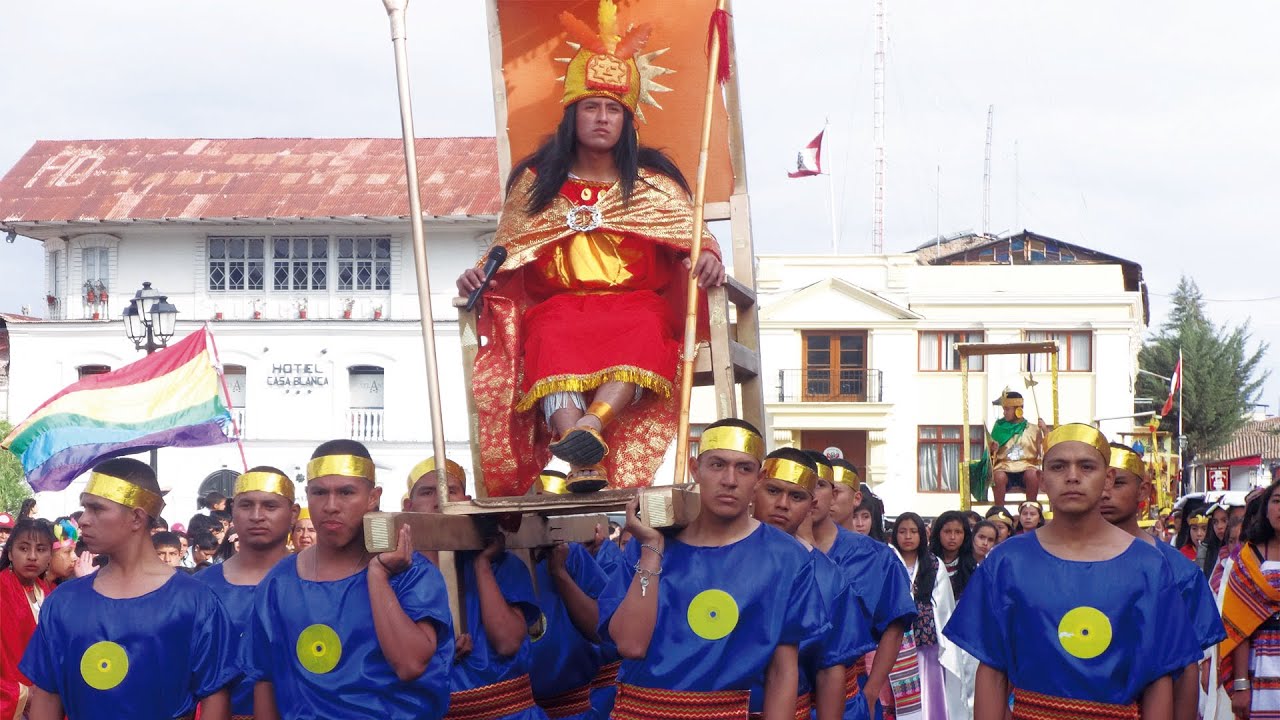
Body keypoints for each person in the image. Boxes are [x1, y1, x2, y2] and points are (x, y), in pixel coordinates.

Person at [457, 0, 726, 495]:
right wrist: (479, 275)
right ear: (572, 114)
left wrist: (705, 255)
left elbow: (694, 241)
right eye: (591, 107)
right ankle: (579, 448)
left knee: (646, 325)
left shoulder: (653, 184)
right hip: (559, 307)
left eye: (612, 109)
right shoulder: (536, 184)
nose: (602, 118)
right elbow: (507, 250)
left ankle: (588, 430)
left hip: (635, 305)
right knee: (549, 332)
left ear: (627, 120)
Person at [943, 424, 1200, 719]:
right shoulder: (1007, 561)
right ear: (1041, 480)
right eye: (1058, 466)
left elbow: (1159, 676)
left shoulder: (1149, 566)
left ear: (1107, 479)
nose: (1073, 476)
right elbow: (992, 669)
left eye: (1087, 466)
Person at [599, 418, 826, 718]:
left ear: (758, 478)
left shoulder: (786, 558)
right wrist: (652, 548)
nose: (729, 480)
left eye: (744, 468)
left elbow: (782, 674)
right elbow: (630, 645)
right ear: (696, 469)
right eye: (717, 465)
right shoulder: (650, 542)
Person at [245, 440, 454, 720]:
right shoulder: (278, 583)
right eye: (320, 493)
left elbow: (410, 664)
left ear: (373, 497)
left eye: (346, 492)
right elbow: (265, 679)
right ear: (308, 496)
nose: (331, 506)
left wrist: (378, 576)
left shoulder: (411, 572)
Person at [19, 458, 237, 720]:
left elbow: (215, 699)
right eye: (84, 508)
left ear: (136, 517)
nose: (84, 520)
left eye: (96, 509)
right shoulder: (63, 602)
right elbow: (46, 699)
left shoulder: (196, 602)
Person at [1099, 443, 1225, 720]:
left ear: (1143, 490)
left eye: (1118, 483)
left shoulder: (1179, 572)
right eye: (1098, 482)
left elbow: (1186, 667)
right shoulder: (1060, 562)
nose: (1105, 492)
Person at [413, 457, 546, 720]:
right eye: (427, 492)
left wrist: (481, 565)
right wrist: (439, 652)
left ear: (466, 499)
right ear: (408, 505)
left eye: (451, 491)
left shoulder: (502, 564)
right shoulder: (402, 572)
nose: (440, 500)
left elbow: (507, 643)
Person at [757, 448, 872, 720]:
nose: (783, 504)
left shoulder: (827, 577)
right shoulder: (711, 550)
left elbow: (830, 670)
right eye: (773, 491)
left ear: (811, 505)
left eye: (796, 496)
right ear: (755, 488)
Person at [195, 466, 297, 720]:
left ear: (293, 513)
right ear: (232, 511)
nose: (257, 516)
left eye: (270, 506)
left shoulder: (314, 580)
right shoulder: (202, 587)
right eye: (246, 505)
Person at [527, 477, 610, 720]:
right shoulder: (485, 561)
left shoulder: (569, 554)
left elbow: (601, 629)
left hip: (575, 711)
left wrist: (559, 573)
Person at [889, 513, 962, 720]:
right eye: (902, 531)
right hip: (896, 644)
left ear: (922, 535)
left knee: (930, 694)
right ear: (895, 535)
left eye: (913, 531)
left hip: (926, 644)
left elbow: (944, 607)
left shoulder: (934, 564)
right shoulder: (888, 561)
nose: (908, 537)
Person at [1218, 480, 1280, 718]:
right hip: (1262, 667)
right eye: (1276, 501)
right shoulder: (1249, 558)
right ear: (1266, 508)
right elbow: (1238, 627)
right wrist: (1242, 683)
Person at [1, 518, 55, 719]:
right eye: (24, 549)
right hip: (14, 698)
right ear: (10, 553)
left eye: (41, 549)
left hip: (47, 698)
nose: (32, 556)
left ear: (50, 555)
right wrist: (23, 693)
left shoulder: (52, 594)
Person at [986, 390, 1047, 507]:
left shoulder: (1033, 429)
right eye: (1004, 409)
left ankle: (1031, 508)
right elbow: (989, 455)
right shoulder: (999, 427)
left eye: (1007, 409)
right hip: (1004, 467)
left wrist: (1044, 430)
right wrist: (993, 449)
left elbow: (1046, 451)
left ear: (1018, 410)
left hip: (1026, 467)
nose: (1004, 413)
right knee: (998, 477)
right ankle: (999, 510)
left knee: (1033, 474)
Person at [928, 511, 976, 600]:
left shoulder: (972, 567)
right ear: (938, 533)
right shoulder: (926, 563)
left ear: (965, 535)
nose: (952, 537)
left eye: (958, 532)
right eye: (947, 531)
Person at [829, 460, 863, 531]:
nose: (828, 499)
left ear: (856, 498)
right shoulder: (804, 541)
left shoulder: (867, 542)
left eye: (835, 492)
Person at [45, 517, 79, 586]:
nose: (75, 558)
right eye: (67, 551)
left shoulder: (56, 587)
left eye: (74, 551)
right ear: (48, 554)